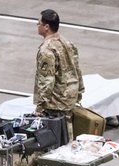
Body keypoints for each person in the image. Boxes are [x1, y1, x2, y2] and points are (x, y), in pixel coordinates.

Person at [34, 9, 84, 139]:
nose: (37, 25)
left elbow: (47, 80)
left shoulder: (46, 50)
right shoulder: (67, 43)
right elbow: (76, 69)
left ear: (46, 27)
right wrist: (79, 92)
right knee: (68, 130)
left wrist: (40, 106)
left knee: (56, 138)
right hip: (70, 96)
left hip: (57, 101)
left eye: (38, 23)